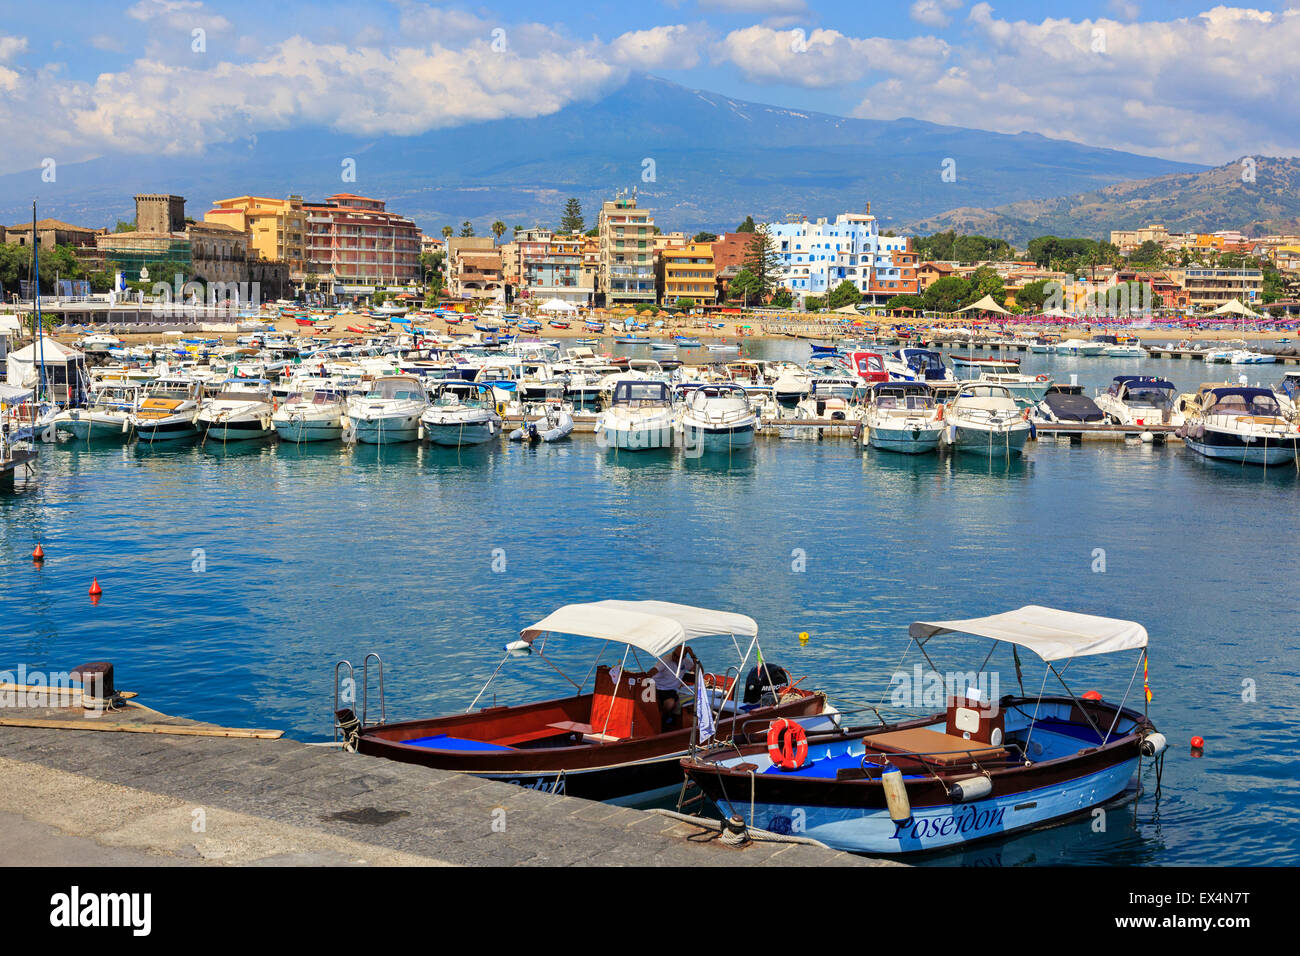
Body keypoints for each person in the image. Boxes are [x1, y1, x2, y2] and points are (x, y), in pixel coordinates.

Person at [649, 645, 699, 729]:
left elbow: (699, 671)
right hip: (657, 686)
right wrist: (644, 677)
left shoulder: (685, 661)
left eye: (677, 656)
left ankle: (663, 718)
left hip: (670, 689)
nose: (674, 657)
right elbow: (654, 670)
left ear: (683, 657)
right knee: (666, 703)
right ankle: (660, 718)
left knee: (670, 703)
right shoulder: (666, 659)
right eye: (674, 654)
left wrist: (693, 656)